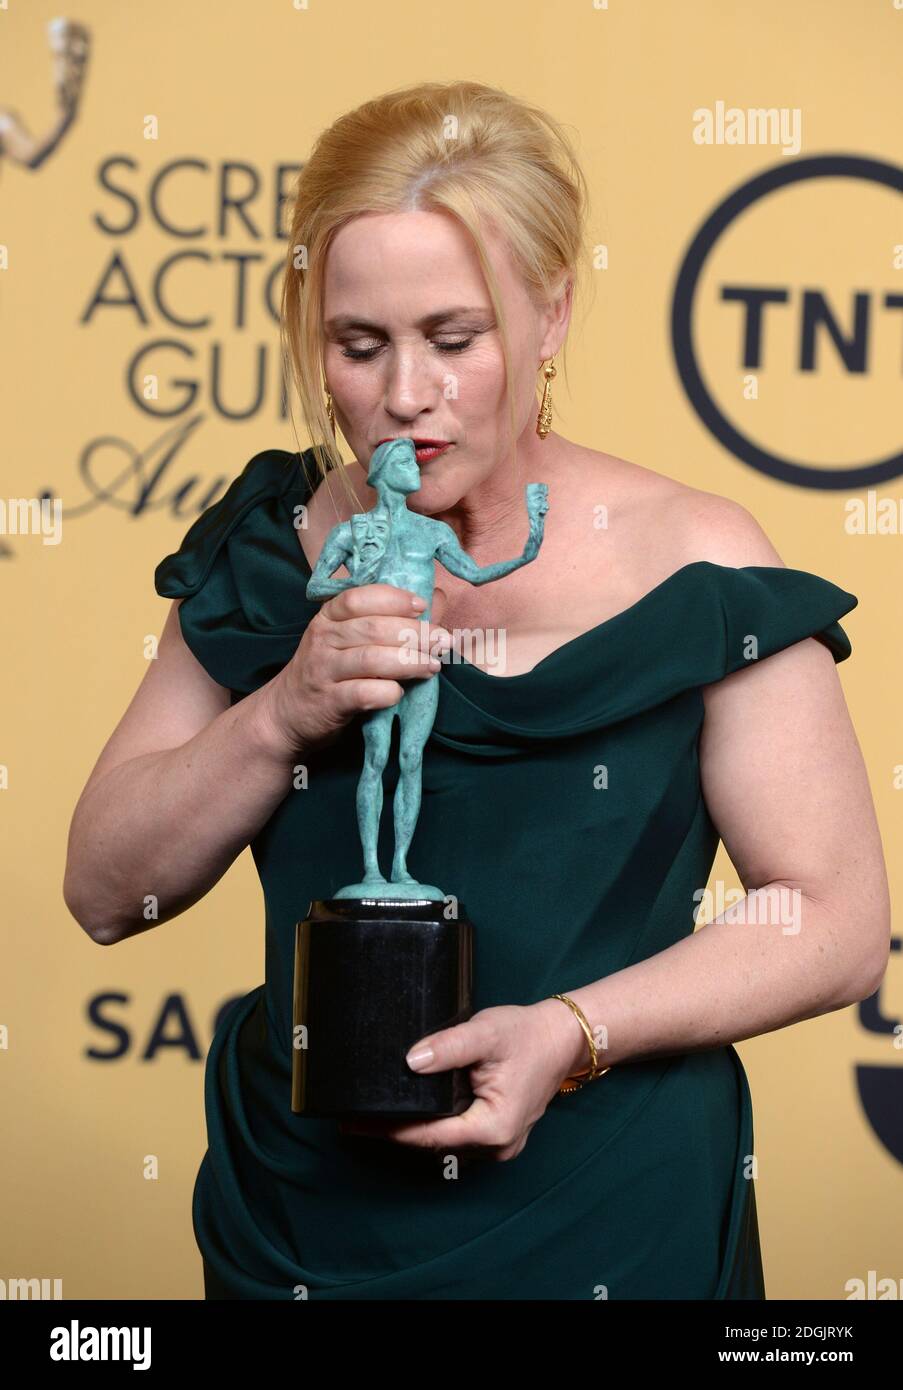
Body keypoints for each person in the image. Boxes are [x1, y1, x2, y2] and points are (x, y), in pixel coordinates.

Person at [63, 79, 890, 1300]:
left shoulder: (698, 562)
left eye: (456, 339)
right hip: (303, 1221)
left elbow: (833, 921)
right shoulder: (269, 542)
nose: (406, 394)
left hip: (612, 1206)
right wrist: (283, 709)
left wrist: (573, 1032)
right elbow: (103, 893)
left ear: (549, 316)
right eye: (359, 344)